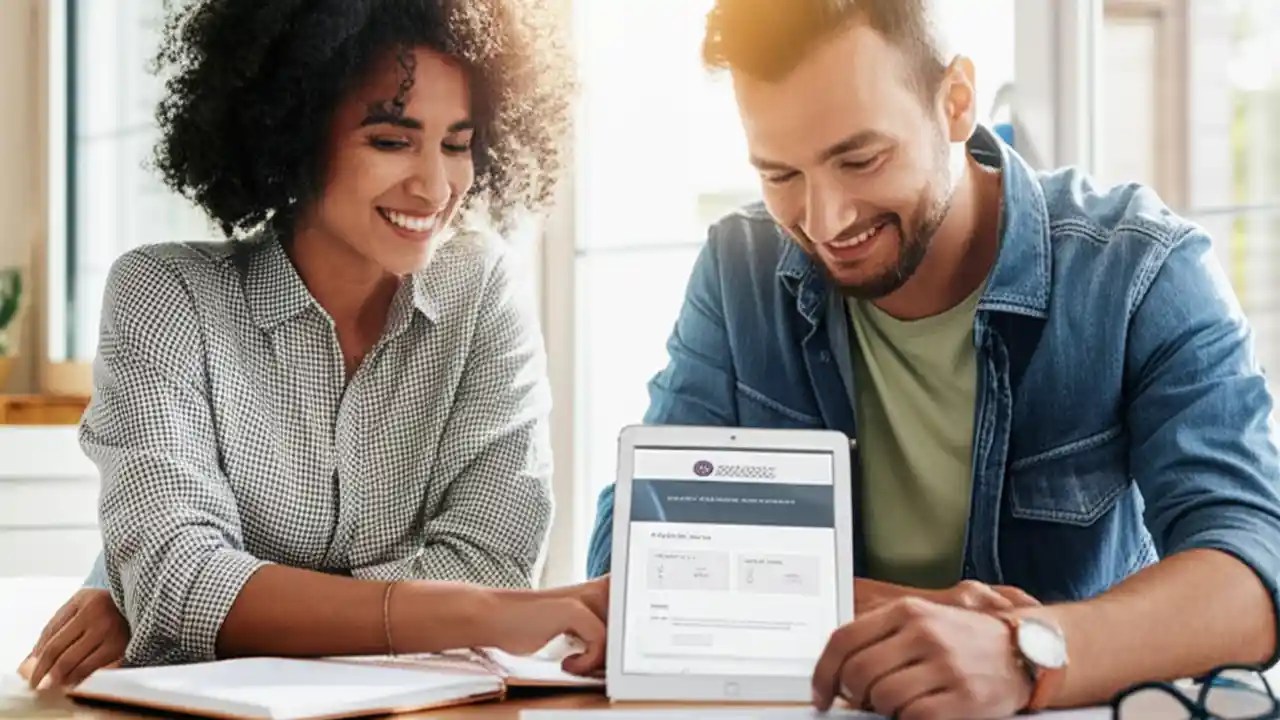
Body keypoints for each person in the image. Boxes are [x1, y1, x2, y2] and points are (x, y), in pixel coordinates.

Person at [586, 0, 1280, 717]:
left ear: (955, 103)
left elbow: (1252, 576)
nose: (825, 221)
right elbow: (632, 570)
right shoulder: (741, 271)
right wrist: (920, 618)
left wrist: (1024, 653)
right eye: (780, 175)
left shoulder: (1138, 271)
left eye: (860, 159)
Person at [21, 0, 607, 691]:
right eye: (390, 140)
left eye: (456, 143)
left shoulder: (481, 292)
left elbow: (491, 564)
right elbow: (180, 581)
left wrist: (201, 609)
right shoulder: (164, 295)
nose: (436, 186)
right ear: (293, 132)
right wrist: (169, 591)